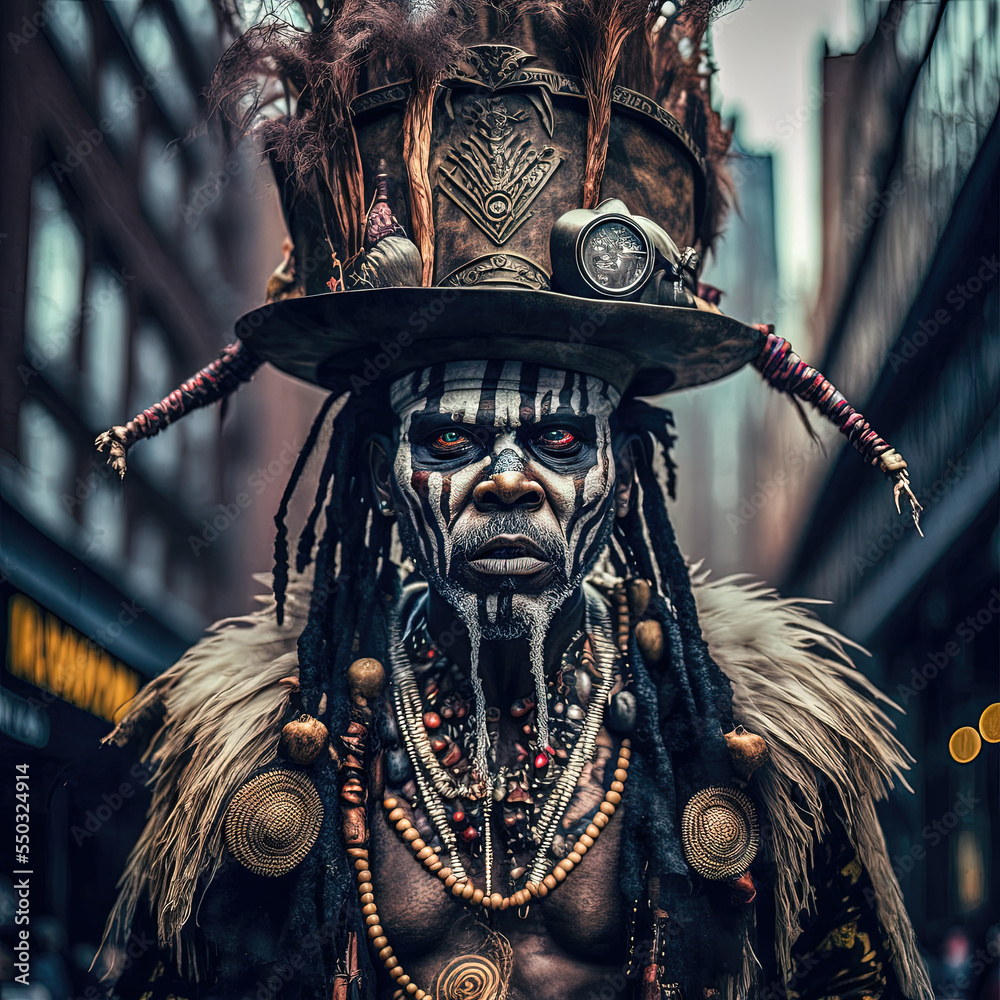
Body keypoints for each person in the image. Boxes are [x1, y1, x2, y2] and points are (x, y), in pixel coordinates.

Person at [96, 2, 930, 999]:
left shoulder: (760, 742)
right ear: (384, 474)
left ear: (620, 471)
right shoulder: (251, 743)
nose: (505, 478)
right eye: (450, 437)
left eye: (560, 436)